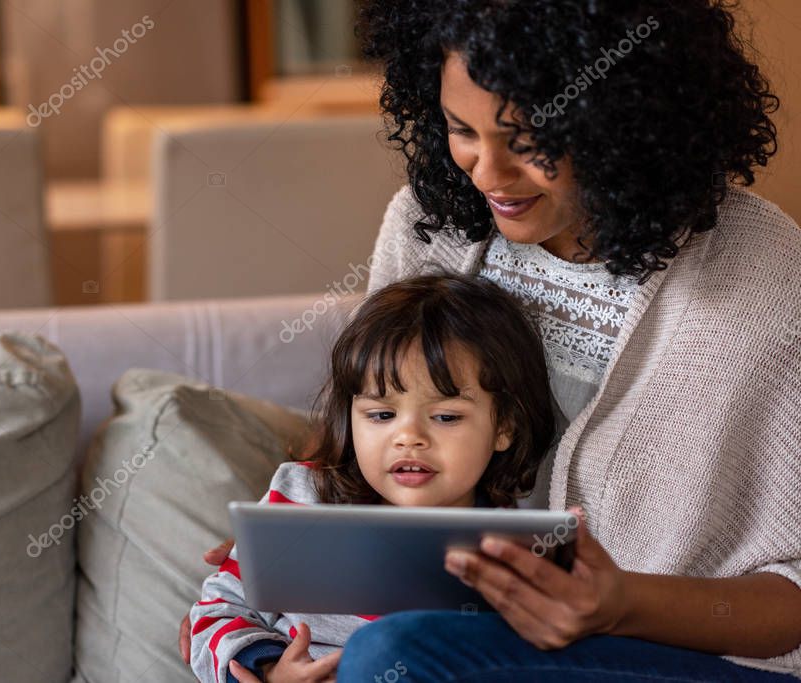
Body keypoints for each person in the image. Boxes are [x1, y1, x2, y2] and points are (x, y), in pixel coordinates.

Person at [181, 0, 801, 680]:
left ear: (624, 124)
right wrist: (308, 543)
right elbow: (374, 404)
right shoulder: (430, 228)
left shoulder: (767, 279)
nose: (487, 174)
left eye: (529, 140)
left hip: (679, 663)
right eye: (461, 129)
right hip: (474, 649)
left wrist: (619, 604)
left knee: (391, 656)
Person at [189, 274, 557, 683]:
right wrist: (271, 668)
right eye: (381, 415)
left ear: (504, 426)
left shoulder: (511, 549)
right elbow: (217, 610)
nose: (409, 438)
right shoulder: (301, 499)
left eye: (446, 417)